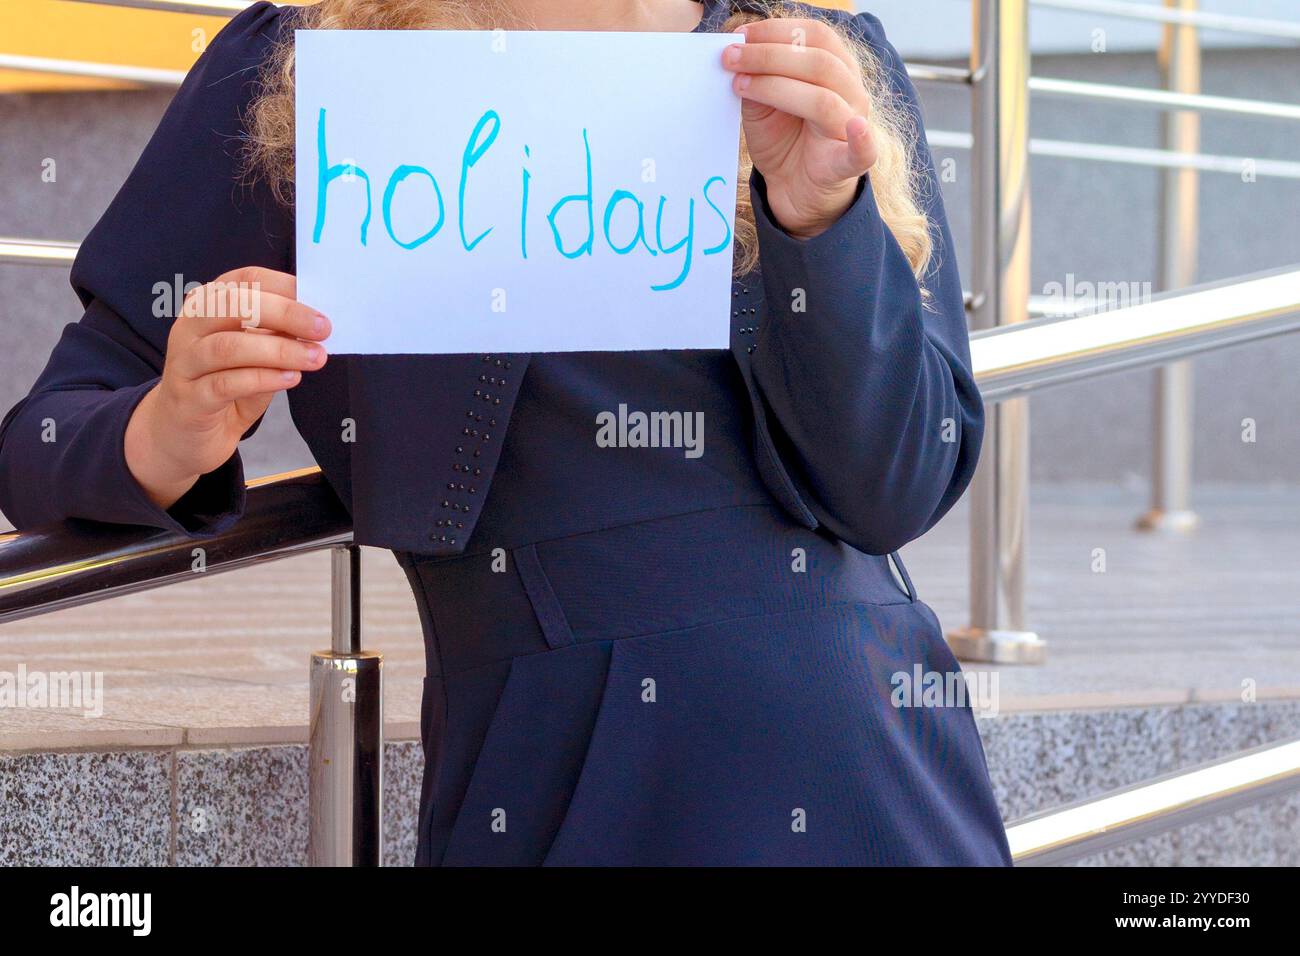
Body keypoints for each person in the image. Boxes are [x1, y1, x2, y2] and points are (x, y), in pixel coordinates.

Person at [0, 0, 1011, 865]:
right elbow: (41, 442)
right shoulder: (316, 53)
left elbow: (901, 483)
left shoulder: (816, 55)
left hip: (873, 752)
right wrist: (176, 424)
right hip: (554, 764)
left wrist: (820, 222)